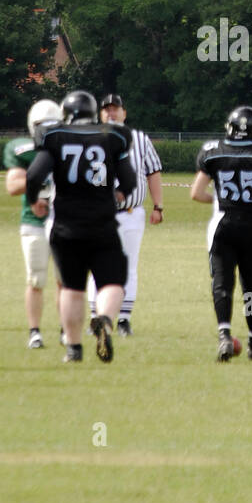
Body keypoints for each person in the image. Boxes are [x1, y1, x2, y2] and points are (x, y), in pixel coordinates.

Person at [25, 90, 136, 365]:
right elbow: (130, 180)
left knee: (73, 289)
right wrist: (118, 195)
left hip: (65, 225)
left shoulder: (54, 135)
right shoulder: (114, 136)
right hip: (102, 222)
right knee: (113, 282)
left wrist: (34, 201)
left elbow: (34, 175)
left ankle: (74, 349)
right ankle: (106, 320)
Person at [190, 106, 252, 362]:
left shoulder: (213, 152)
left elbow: (195, 193)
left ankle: (224, 335)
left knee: (222, 283)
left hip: (223, 226)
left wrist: (217, 199)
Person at [86, 94, 164, 337]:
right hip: (98, 213)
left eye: (115, 109)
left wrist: (158, 205)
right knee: (94, 265)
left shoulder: (139, 139)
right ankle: (95, 317)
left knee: (128, 265)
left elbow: (153, 172)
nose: (111, 113)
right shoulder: (90, 138)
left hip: (130, 212)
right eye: (106, 109)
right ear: (100, 114)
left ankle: (123, 320)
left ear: (124, 113)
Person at [4, 98, 63, 349]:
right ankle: (35, 332)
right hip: (34, 221)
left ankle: (65, 330)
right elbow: (12, 186)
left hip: (63, 220)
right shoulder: (22, 149)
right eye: (42, 125)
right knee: (36, 279)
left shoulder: (69, 147)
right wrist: (36, 188)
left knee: (66, 281)